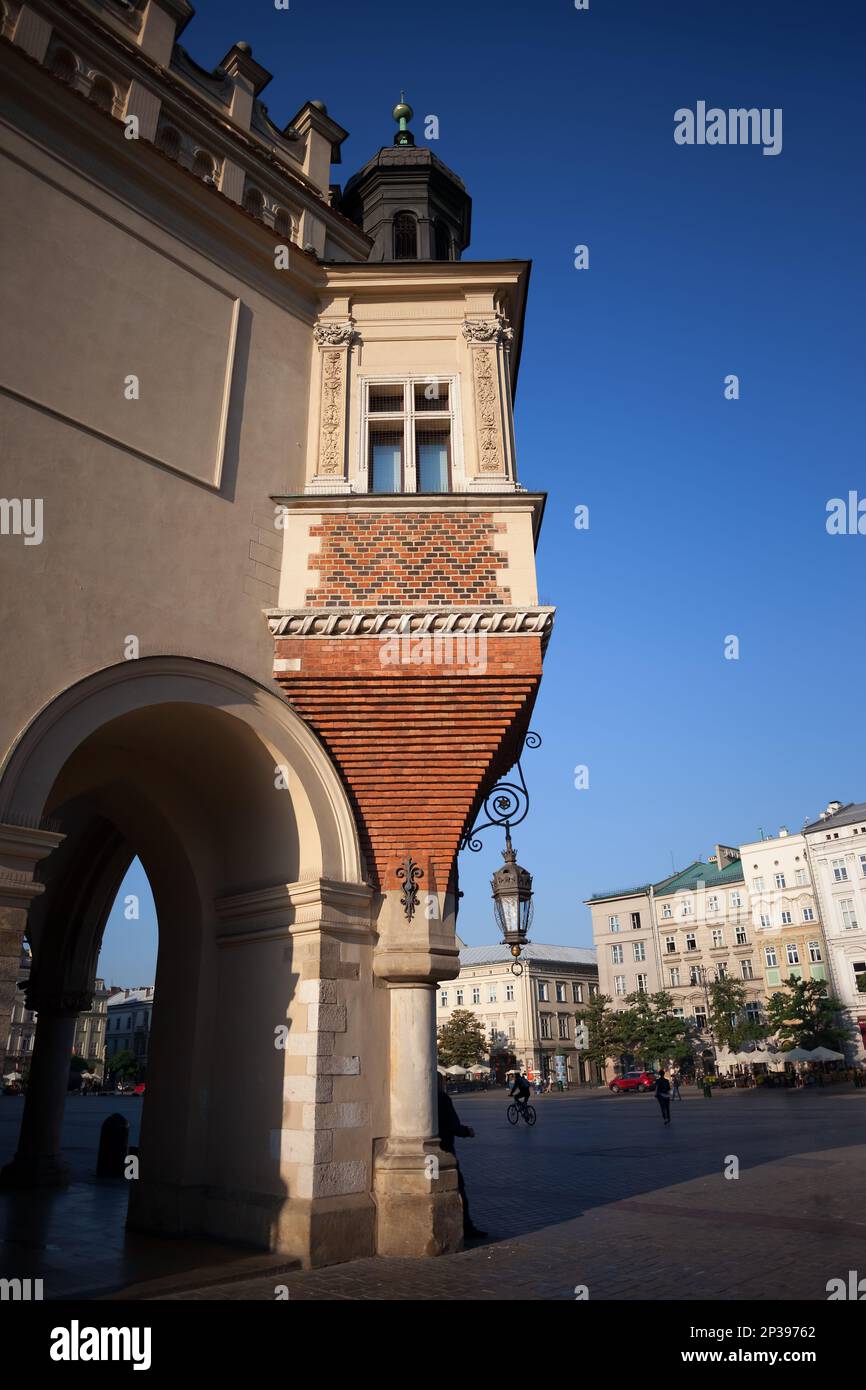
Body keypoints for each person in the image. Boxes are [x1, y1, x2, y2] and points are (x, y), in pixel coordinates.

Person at [437, 1072, 486, 1240]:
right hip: (444, 1149)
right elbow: (454, 1126)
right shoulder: (442, 1099)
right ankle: (466, 1226)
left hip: (425, 1152)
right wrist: (467, 1132)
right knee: (459, 1188)